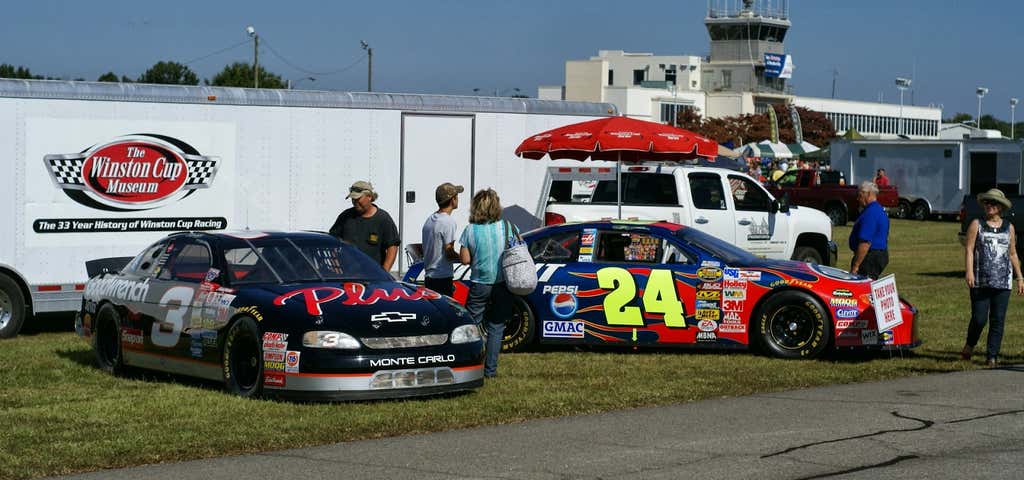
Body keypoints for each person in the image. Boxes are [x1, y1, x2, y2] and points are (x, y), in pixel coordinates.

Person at [961, 188, 1024, 367]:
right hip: (980, 280)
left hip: (1003, 282)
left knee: (998, 319)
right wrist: (969, 271)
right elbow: (969, 249)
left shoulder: (1009, 227)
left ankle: (992, 356)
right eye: (987, 202)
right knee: (979, 318)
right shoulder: (977, 224)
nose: (989, 205)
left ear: (1000, 207)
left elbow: (1012, 253)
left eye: (993, 203)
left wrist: (1020, 277)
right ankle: (970, 344)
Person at [459, 189, 516, 378]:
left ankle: (470, 365)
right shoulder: (508, 227)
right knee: (496, 327)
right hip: (502, 282)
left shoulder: (470, 230)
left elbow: (465, 259)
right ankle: (490, 370)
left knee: (472, 325)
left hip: (479, 283)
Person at [329, 180, 401, 272]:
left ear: (369, 197)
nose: (355, 202)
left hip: (372, 275)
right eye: (353, 199)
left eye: (358, 199)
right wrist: (336, 267)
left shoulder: (383, 219)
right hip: (347, 274)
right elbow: (332, 242)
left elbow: (392, 246)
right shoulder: (345, 216)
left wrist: (384, 272)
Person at [421, 182, 464, 297]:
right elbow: (449, 252)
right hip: (442, 277)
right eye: (457, 196)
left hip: (430, 276)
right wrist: (465, 259)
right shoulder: (448, 222)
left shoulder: (430, 219)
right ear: (453, 200)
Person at [848, 181, 890, 279]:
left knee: (862, 284)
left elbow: (865, 242)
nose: (858, 199)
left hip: (870, 257)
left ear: (868, 194)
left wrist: (856, 265)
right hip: (877, 255)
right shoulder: (878, 209)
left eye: (860, 195)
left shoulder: (870, 213)